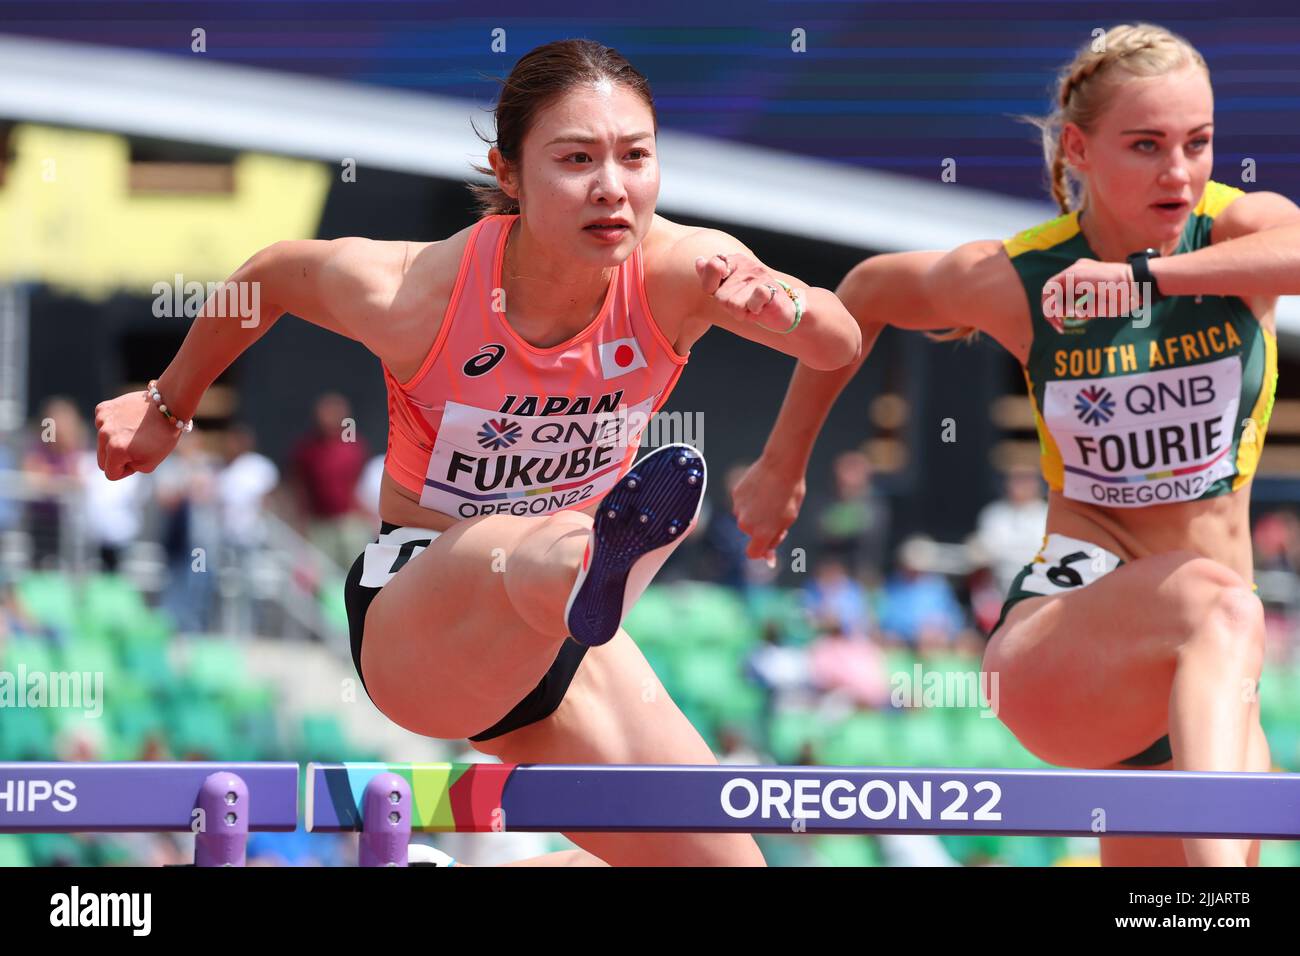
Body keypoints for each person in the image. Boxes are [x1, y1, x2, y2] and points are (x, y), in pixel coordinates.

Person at [92, 38, 860, 867]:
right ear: (509, 173)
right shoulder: (417, 293)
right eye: (576, 158)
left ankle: (591, 571)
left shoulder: (684, 270)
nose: (613, 186)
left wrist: (783, 305)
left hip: (563, 643)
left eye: (636, 156)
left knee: (725, 865)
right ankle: (601, 552)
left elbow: (839, 339)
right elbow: (272, 276)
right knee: (528, 547)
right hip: (420, 613)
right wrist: (168, 402)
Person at [733, 23, 1298, 866]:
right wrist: (784, 463)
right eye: (1145, 145)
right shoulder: (1021, 279)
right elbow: (863, 294)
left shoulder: (1236, 236)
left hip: (1198, 686)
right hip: (1066, 651)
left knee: (1177, 919)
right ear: (1079, 147)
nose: (1179, 172)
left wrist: (1142, 279)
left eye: (1199, 142)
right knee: (1222, 600)